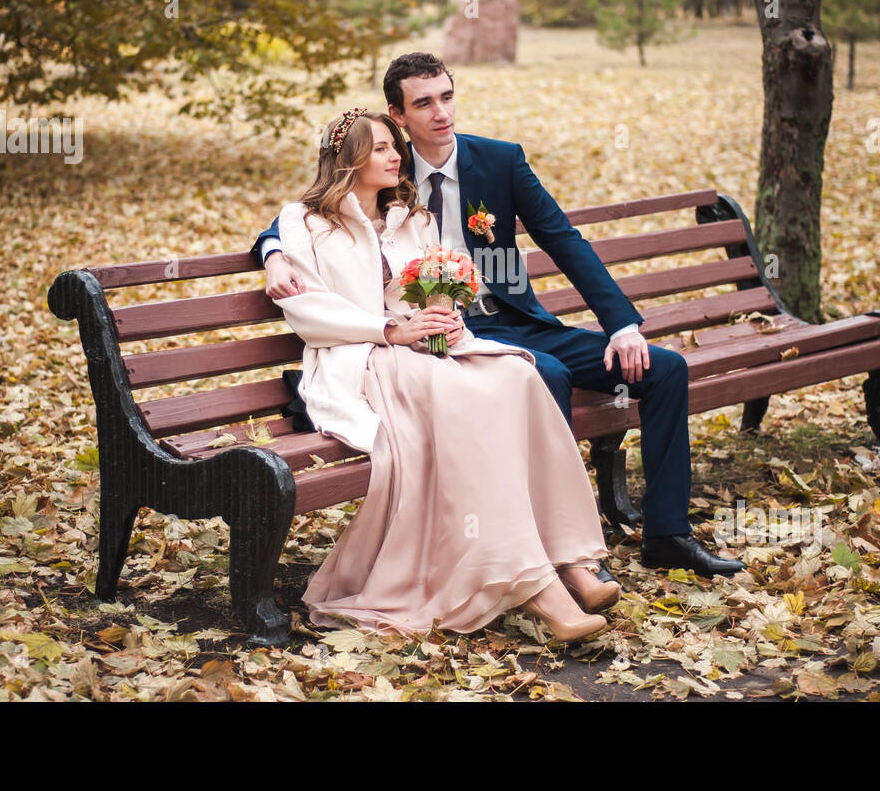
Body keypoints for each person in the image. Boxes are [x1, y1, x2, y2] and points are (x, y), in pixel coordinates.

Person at [255, 53, 744, 577]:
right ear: (398, 116)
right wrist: (272, 252)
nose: (441, 112)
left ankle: (667, 534)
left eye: (447, 96)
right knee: (544, 375)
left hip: (514, 318)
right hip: (440, 335)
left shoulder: (499, 161)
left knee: (664, 369)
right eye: (424, 103)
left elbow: (562, 238)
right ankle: (551, 547)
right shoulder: (389, 174)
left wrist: (621, 324)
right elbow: (309, 211)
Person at [268, 106, 620, 641]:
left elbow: (433, 289)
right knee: (465, 401)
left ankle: (570, 557)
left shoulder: (410, 218)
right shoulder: (303, 222)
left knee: (519, 377)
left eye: (394, 146)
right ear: (349, 158)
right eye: (382, 147)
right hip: (358, 357)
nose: (396, 155)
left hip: (423, 350)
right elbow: (308, 313)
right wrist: (389, 330)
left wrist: (445, 317)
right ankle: (541, 589)